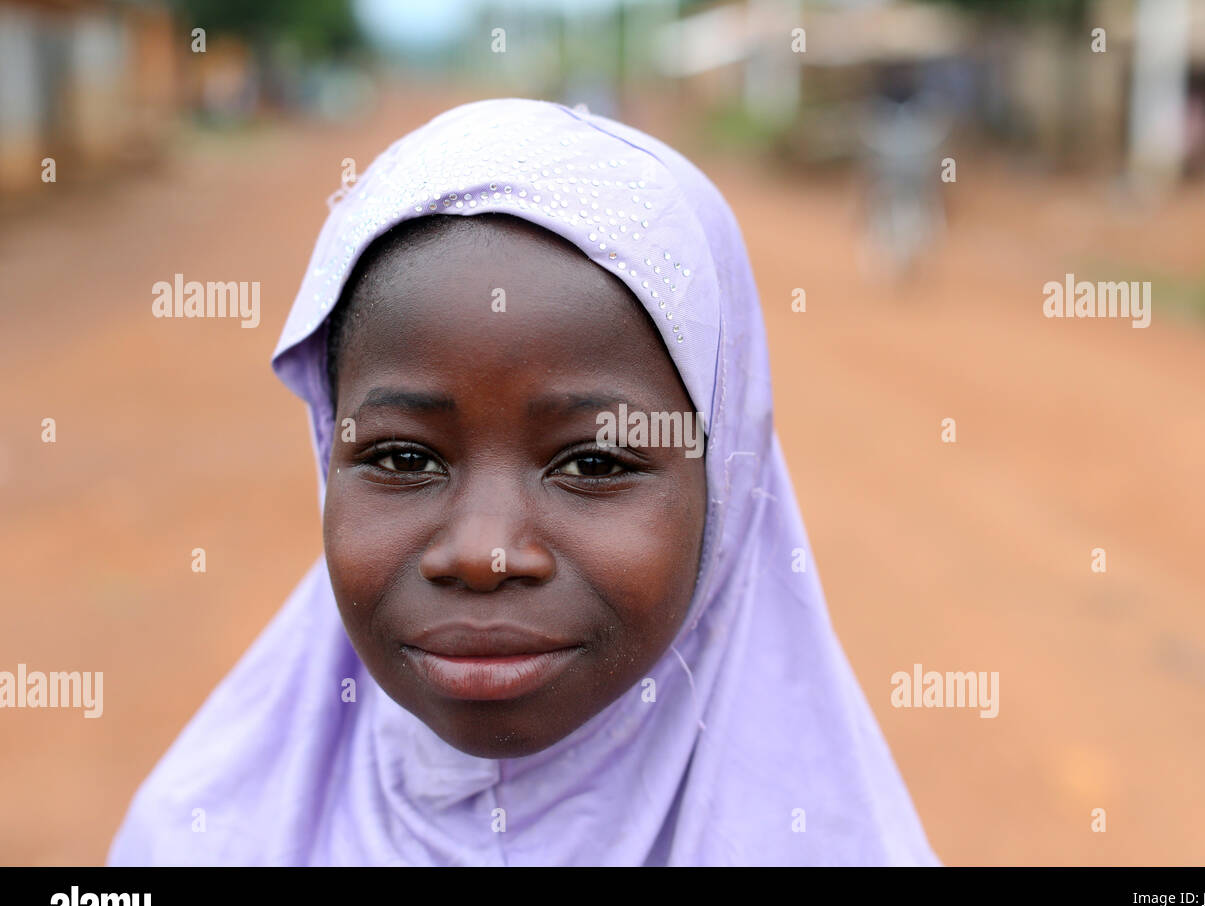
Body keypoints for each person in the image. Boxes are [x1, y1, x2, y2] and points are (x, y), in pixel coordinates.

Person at [107, 98, 939, 865]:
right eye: (403, 458)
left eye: (594, 463)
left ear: (721, 488)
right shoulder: (195, 841)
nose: (484, 553)